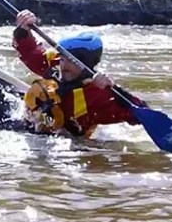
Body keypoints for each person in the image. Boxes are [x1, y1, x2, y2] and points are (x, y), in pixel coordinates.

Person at [13, 9, 142, 137]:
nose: (62, 65)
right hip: (33, 123)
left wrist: (116, 90)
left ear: (85, 64)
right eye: (62, 58)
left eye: (70, 60)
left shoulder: (98, 96)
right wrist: (23, 29)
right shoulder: (55, 62)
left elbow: (139, 113)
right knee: (40, 91)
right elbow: (29, 51)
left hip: (66, 142)